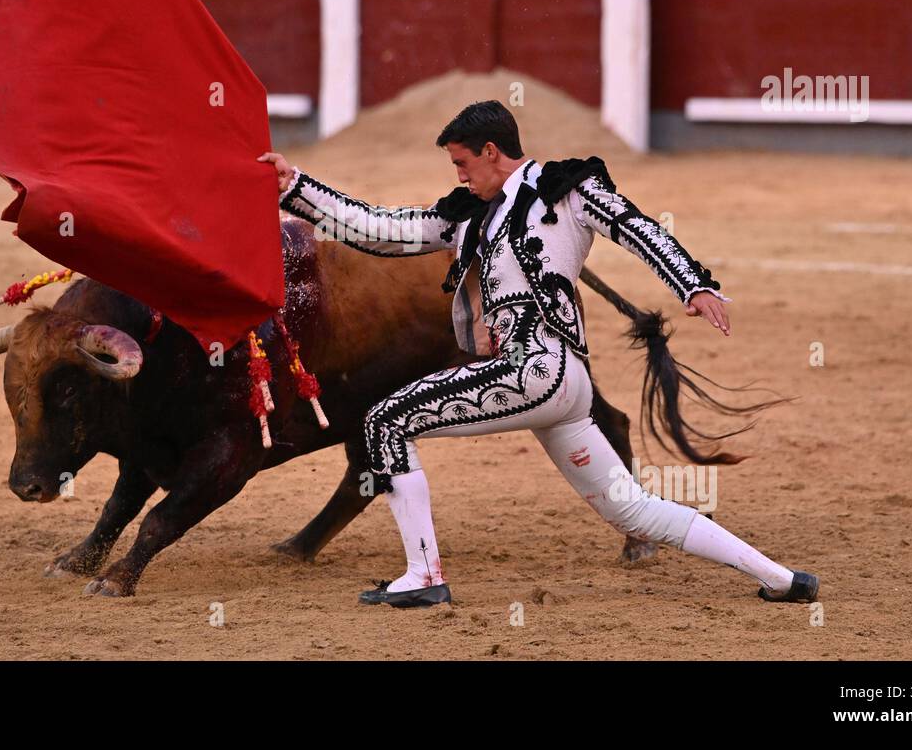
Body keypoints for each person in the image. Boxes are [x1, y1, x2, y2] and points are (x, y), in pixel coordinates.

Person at [259, 100, 820, 608]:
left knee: (387, 419)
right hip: (561, 387)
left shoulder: (567, 189)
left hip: (535, 373)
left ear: (491, 151)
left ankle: (424, 575)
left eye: (462, 164)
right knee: (629, 507)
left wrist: (692, 283)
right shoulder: (470, 214)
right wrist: (297, 187)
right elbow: (381, 230)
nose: (459, 176)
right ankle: (780, 578)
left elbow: (636, 227)